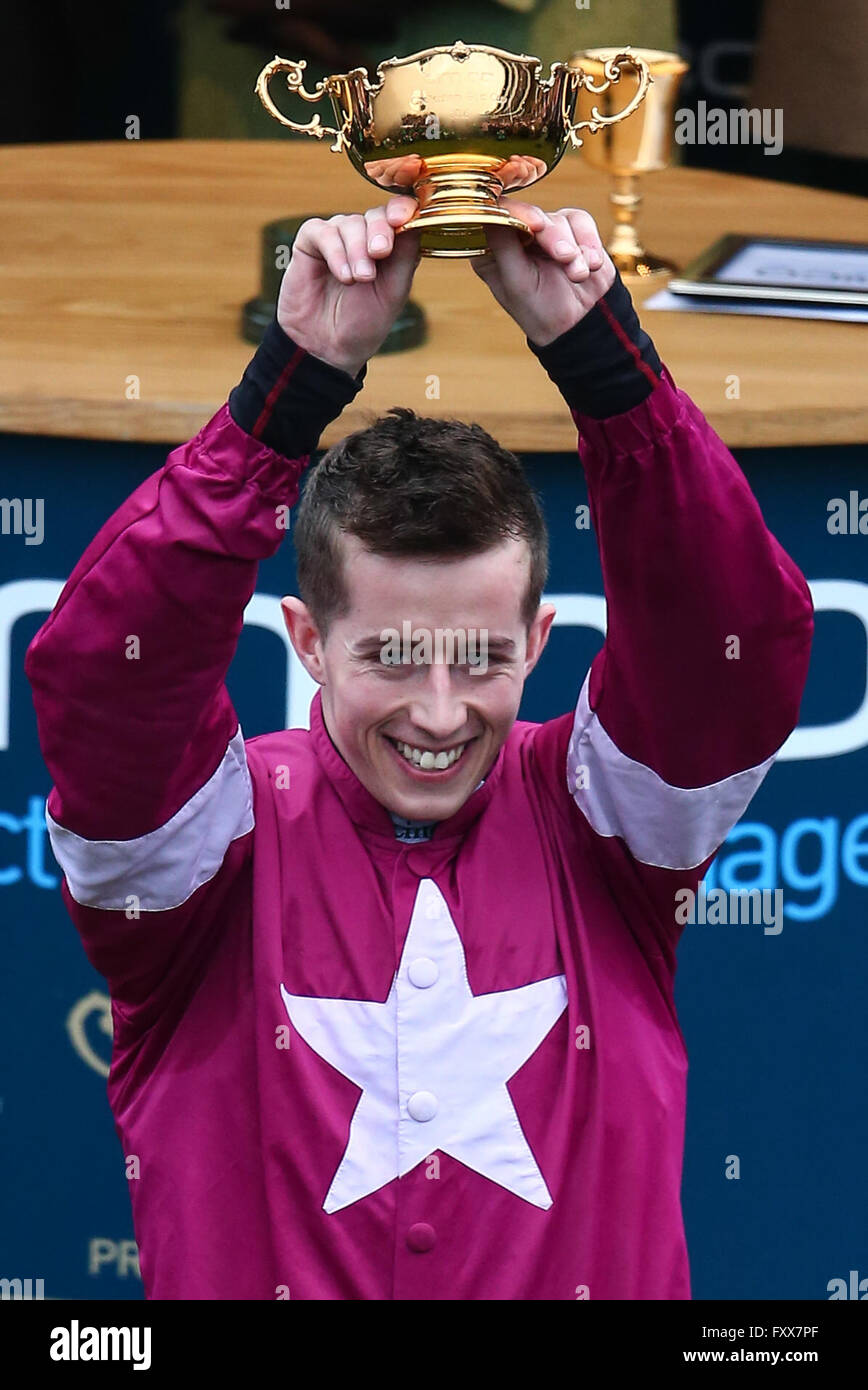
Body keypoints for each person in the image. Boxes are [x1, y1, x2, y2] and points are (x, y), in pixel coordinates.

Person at [25, 199, 813, 1300]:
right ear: (305, 640)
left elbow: (733, 642)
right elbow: (110, 669)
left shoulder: (604, 829)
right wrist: (290, 387)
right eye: (393, 656)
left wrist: (601, 356)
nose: (439, 715)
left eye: (480, 659)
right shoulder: (206, 863)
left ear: (542, 640)